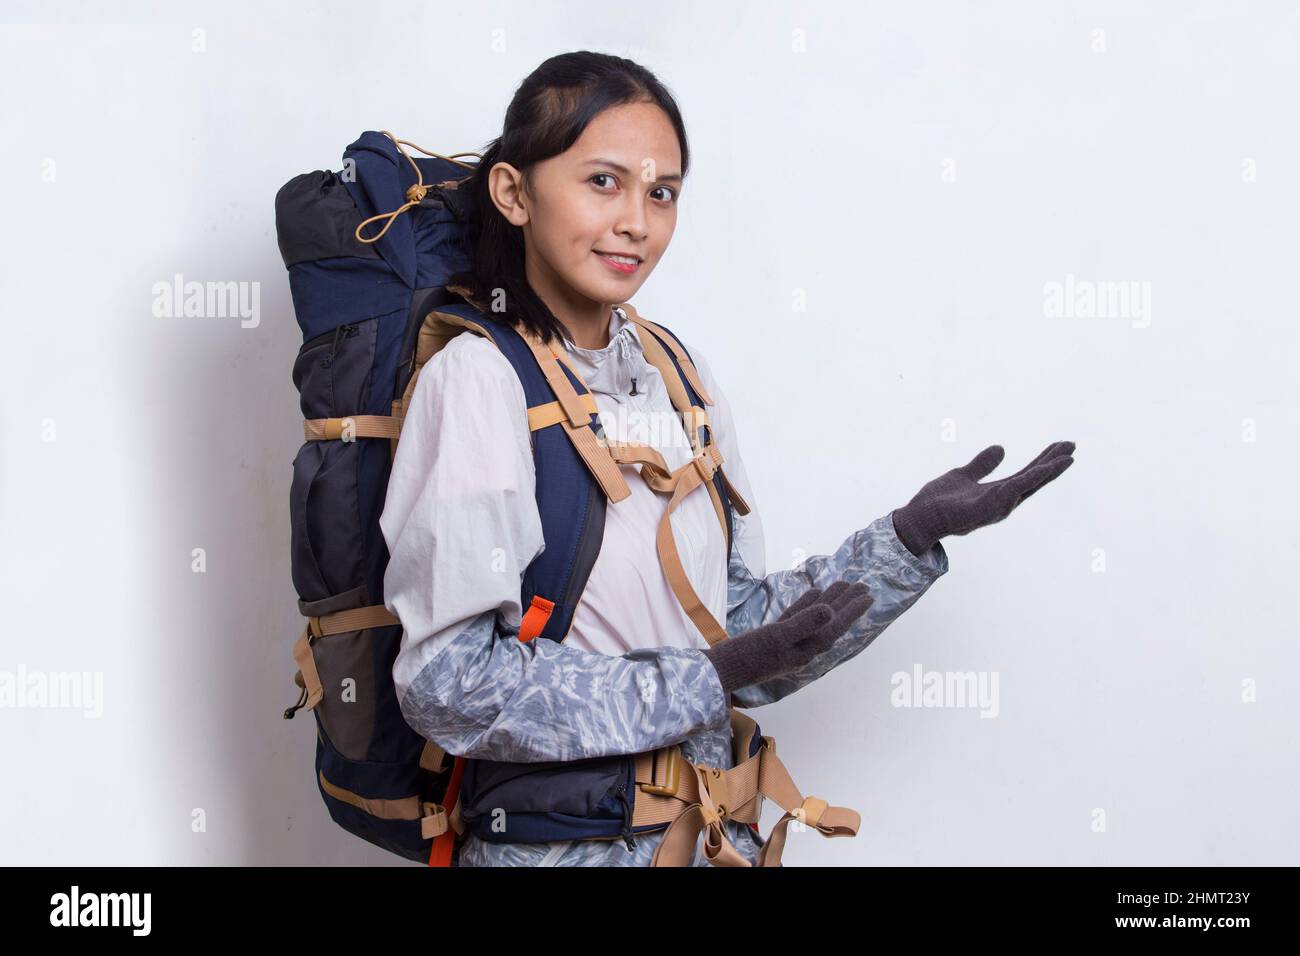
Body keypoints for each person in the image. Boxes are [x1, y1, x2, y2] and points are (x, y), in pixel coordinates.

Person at [378, 51, 1075, 867]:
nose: (638, 220)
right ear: (513, 192)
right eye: (603, 181)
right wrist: (699, 682)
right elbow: (448, 686)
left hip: (712, 842)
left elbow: (736, 635)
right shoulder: (478, 381)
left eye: (661, 192)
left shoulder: (680, 376)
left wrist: (906, 542)